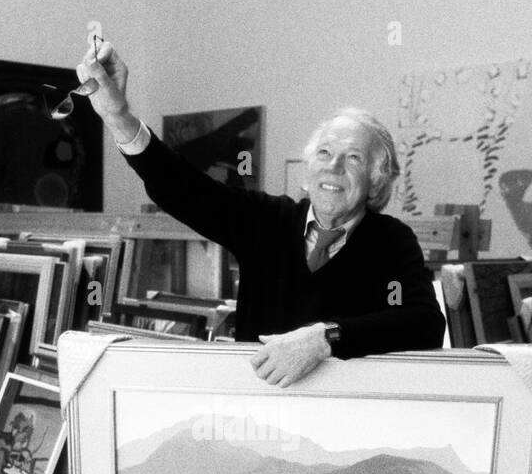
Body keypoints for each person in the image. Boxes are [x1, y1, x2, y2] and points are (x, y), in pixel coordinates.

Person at [75, 39, 444, 387]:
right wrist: (117, 114)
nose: (333, 168)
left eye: (353, 158)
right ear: (307, 168)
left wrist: (324, 338)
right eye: (324, 153)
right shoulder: (267, 222)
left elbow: (422, 322)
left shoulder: (391, 241)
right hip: (257, 422)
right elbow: (182, 189)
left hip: (341, 433)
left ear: (375, 182)